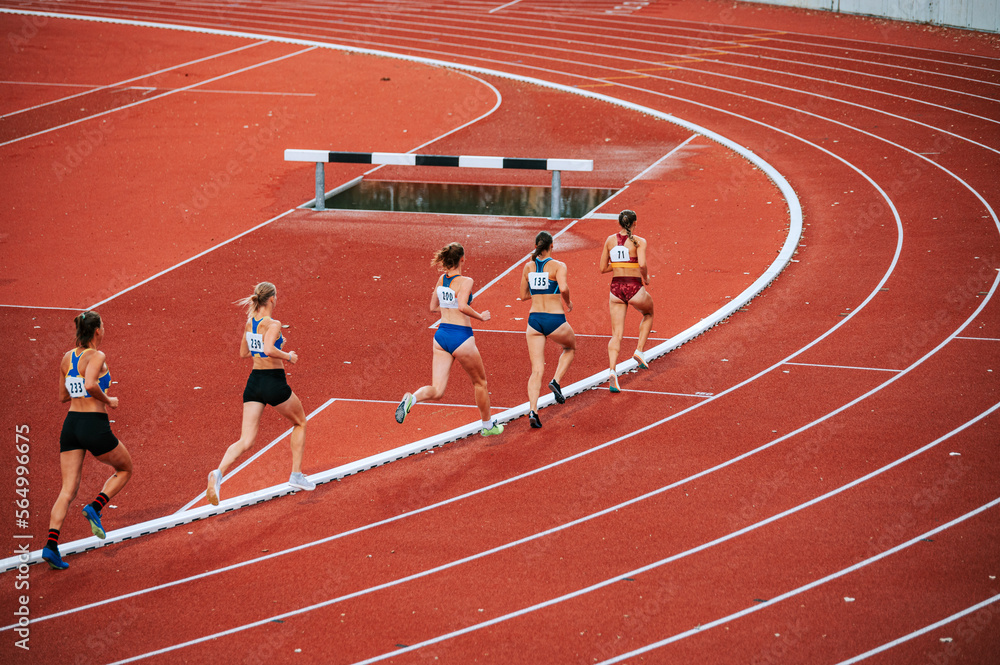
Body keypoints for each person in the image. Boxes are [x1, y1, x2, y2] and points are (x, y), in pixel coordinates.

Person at [206, 282, 314, 506]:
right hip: (273, 382)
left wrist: (274, 343)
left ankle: (218, 473)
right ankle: (296, 475)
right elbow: (268, 350)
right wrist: (288, 355)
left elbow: (244, 353)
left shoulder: (250, 323)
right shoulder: (273, 323)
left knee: (246, 440)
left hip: (254, 382)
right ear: (272, 299)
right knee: (300, 422)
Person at [42, 311, 133, 570]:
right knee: (125, 469)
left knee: (67, 490)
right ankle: (95, 506)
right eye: (103, 326)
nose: (104, 330)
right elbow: (92, 385)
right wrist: (109, 400)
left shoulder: (66, 357)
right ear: (96, 331)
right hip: (94, 424)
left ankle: (50, 545)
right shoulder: (97, 355)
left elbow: (62, 396)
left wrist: (79, 389)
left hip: (71, 425)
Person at [395, 242, 503, 437]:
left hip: (441, 335)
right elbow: (462, 306)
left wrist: (448, 308)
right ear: (463, 259)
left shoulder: (441, 279)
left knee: (437, 390)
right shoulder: (466, 280)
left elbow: (433, 307)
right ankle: (488, 426)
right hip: (461, 337)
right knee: (480, 383)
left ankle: (412, 398)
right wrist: (480, 316)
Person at [519, 231, 576, 428]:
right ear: (551, 246)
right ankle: (556, 381)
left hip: (534, 321)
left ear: (536, 246)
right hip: (554, 320)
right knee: (570, 348)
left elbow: (523, 295)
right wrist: (567, 302)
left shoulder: (528, 267)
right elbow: (564, 288)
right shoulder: (558, 266)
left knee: (536, 370)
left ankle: (533, 410)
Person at [599, 209, 654, 393]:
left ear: (619, 223)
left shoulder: (609, 240)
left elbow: (602, 268)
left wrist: (619, 265)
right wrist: (645, 278)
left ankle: (613, 371)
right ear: (635, 223)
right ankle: (639, 351)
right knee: (648, 313)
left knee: (616, 334)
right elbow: (643, 265)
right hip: (634, 287)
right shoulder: (639, 241)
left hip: (615, 289)